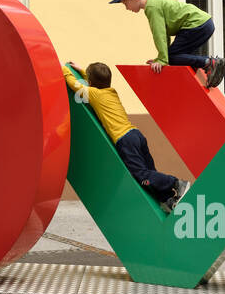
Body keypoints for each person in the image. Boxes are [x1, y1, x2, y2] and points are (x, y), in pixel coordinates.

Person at [64, 61, 190, 212]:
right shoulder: (111, 91)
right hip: (136, 135)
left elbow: (75, 85)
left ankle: (176, 183)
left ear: (90, 82)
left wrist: (64, 69)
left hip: (125, 140)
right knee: (150, 173)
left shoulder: (94, 94)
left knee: (140, 174)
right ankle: (167, 200)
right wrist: (82, 70)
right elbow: (95, 82)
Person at [109, 0, 225, 89]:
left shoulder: (152, 7)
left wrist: (163, 60)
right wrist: (161, 58)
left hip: (196, 25)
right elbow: (165, 35)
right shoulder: (155, 4)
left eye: (125, 3)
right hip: (204, 24)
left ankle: (209, 63)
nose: (126, 8)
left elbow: (159, 34)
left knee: (172, 57)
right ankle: (197, 77)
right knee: (178, 56)